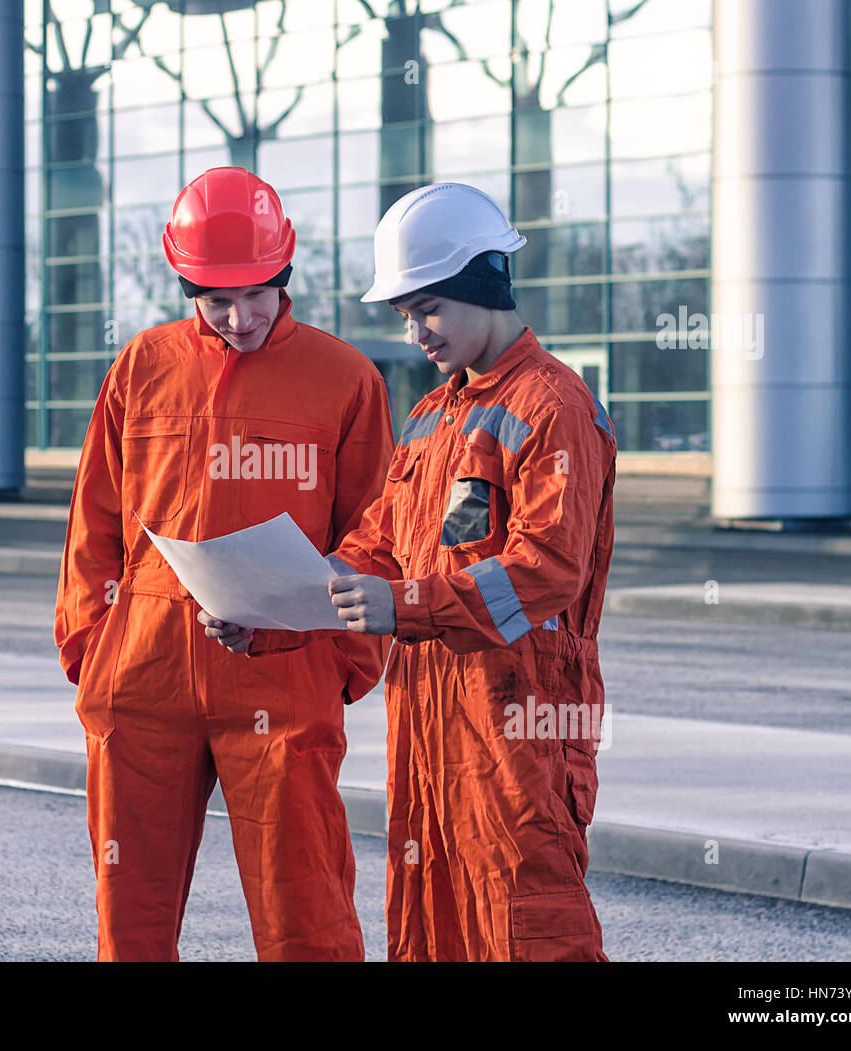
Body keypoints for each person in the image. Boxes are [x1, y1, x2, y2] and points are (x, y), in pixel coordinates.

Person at [210, 182, 617, 961]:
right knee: (433, 931)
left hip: (519, 727)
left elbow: (547, 569)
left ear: (485, 284)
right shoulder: (432, 418)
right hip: (430, 725)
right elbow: (375, 547)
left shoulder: (554, 405)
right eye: (404, 315)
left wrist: (405, 606)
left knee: (530, 929)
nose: (416, 331)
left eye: (427, 307)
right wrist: (269, 609)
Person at [54, 166, 393, 961]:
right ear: (186, 288)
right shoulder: (140, 366)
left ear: (285, 276)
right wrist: (88, 646)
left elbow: (376, 528)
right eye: (217, 301)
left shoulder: (345, 379)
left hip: (284, 668)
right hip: (141, 672)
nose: (239, 318)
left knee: (304, 912)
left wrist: (345, 661)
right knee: (130, 914)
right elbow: (95, 515)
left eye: (257, 296)